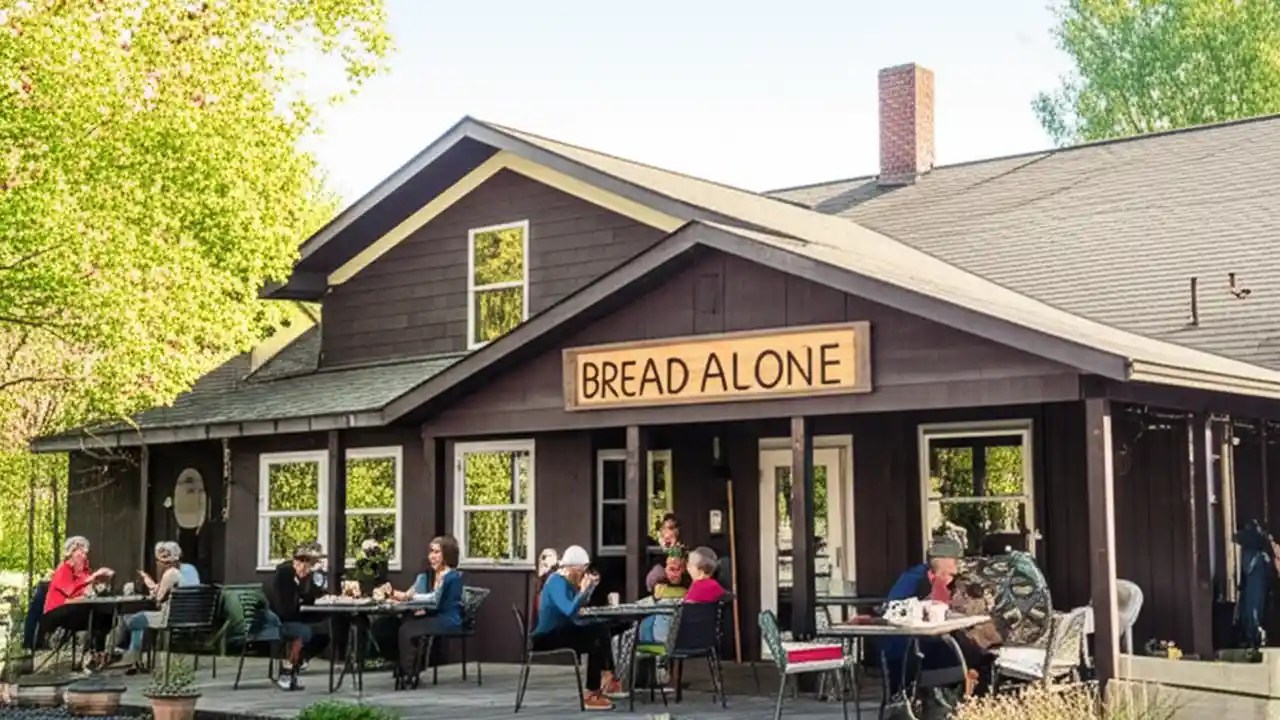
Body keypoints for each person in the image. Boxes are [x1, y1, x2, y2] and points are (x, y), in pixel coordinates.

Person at [882, 536, 987, 694]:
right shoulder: (915, 580)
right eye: (955, 561)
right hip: (908, 655)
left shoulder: (935, 579)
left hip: (922, 648)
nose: (958, 567)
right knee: (974, 655)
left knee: (977, 651)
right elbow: (894, 614)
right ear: (944, 560)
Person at [532, 545, 620, 710]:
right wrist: (583, 590)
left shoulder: (568, 582)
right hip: (545, 636)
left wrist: (590, 588)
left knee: (600, 630)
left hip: (562, 631)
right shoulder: (556, 582)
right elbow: (569, 610)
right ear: (573, 568)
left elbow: (578, 607)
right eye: (582, 571)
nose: (583, 575)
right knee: (597, 632)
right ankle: (594, 691)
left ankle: (605, 679)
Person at [392, 535, 464, 686]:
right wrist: (402, 597)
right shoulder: (430, 575)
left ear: (447, 554)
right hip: (435, 616)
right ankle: (406, 669)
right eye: (431, 552)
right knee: (402, 623)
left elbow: (434, 599)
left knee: (408, 630)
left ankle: (409, 673)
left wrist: (410, 597)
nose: (432, 556)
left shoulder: (451, 576)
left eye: (437, 552)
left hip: (449, 620)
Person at [42, 536, 114, 669]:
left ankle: (98, 653)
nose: (83, 556)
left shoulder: (84, 572)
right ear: (71, 554)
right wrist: (92, 578)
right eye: (79, 552)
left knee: (104, 614)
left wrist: (99, 584)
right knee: (90, 611)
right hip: (56, 611)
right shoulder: (63, 570)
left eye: (85, 553)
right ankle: (88, 652)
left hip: (76, 609)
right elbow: (70, 592)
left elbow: (86, 591)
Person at [267, 543, 326, 691]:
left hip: (296, 618)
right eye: (307, 563)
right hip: (280, 621)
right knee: (304, 632)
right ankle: (287, 671)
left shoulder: (303, 577)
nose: (309, 568)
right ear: (298, 561)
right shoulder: (284, 574)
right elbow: (283, 607)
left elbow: (309, 598)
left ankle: (296, 664)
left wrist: (309, 583)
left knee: (323, 634)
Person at [121, 542, 183, 673]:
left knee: (131, 621)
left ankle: (131, 658)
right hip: (183, 614)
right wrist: (151, 584)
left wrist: (150, 586)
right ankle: (136, 661)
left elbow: (157, 599)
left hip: (167, 617)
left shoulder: (170, 574)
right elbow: (161, 591)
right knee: (138, 623)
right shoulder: (182, 572)